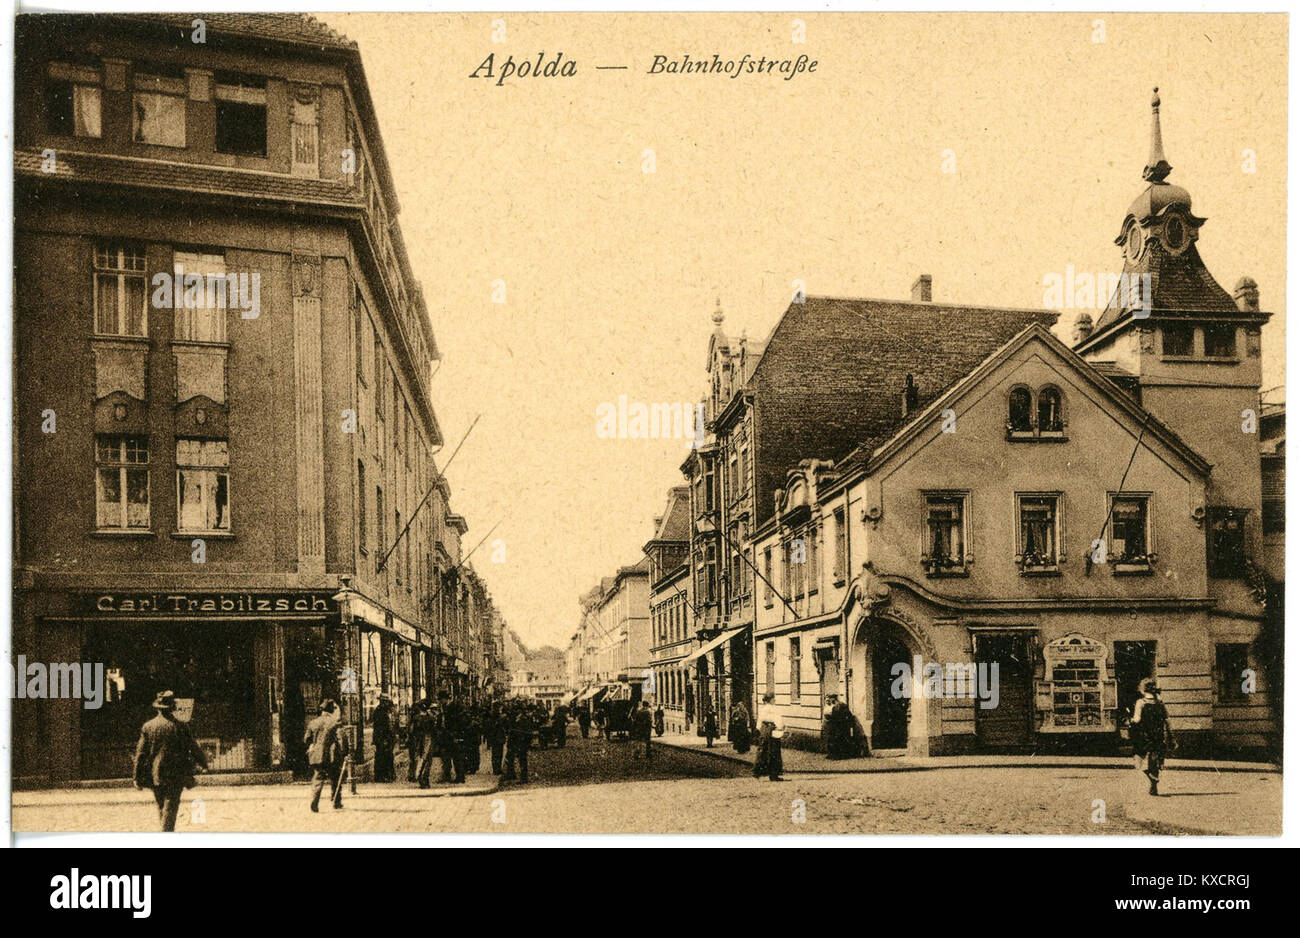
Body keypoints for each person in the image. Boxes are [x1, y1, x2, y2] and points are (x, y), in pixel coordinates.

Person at [133, 690, 208, 831]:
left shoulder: (148, 727)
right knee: (171, 807)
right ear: (172, 707)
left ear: (158, 708)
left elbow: (140, 754)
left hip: (156, 774)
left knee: (162, 805)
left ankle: (165, 833)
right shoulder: (181, 726)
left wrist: (136, 777)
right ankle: (166, 835)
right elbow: (194, 747)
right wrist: (204, 763)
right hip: (176, 774)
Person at [1131, 679, 1175, 795]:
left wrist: (1130, 720)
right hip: (1158, 735)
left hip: (1144, 736)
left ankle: (1150, 777)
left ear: (1143, 689)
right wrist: (1171, 736)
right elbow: (1167, 721)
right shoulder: (1160, 703)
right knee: (1155, 760)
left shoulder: (1141, 702)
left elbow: (1137, 719)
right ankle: (1153, 787)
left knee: (1138, 759)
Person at [304, 698, 348, 811]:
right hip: (331, 756)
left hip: (317, 756)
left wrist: (312, 746)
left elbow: (307, 739)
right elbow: (341, 738)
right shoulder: (335, 722)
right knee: (335, 778)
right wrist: (345, 752)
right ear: (331, 710)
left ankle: (314, 801)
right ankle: (336, 802)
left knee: (318, 778)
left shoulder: (313, 722)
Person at [437, 691, 468, 784]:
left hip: (454, 735)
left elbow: (458, 721)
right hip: (446, 736)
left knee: (457, 757)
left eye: (441, 699)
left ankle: (460, 777)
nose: (440, 702)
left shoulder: (454, 707)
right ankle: (447, 776)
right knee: (446, 757)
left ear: (445, 699)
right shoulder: (444, 707)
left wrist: (456, 734)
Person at [753, 693, 784, 782]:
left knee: (763, 750)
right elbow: (777, 719)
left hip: (764, 730)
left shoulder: (763, 708)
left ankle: (757, 771)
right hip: (771, 730)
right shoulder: (772, 708)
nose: (775, 700)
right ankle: (773, 775)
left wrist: (759, 730)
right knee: (774, 752)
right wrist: (781, 727)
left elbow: (759, 721)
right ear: (770, 699)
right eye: (773, 698)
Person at [821, 694, 863, 760]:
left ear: (835, 699)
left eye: (832, 699)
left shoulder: (839, 706)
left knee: (838, 740)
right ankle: (834, 754)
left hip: (839, 726)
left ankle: (837, 755)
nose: (831, 701)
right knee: (836, 740)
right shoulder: (836, 706)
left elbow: (846, 715)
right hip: (837, 726)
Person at [503, 699, 535, 783]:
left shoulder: (524, 720)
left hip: (521, 743)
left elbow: (528, 733)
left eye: (516, 710)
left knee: (522, 760)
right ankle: (511, 774)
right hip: (514, 742)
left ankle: (524, 778)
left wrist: (526, 744)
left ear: (520, 711)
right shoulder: (514, 719)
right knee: (509, 758)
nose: (515, 711)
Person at [413, 696, 439, 789]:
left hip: (421, 740)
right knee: (426, 759)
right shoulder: (427, 718)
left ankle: (422, 778)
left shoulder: (418, 717)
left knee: (423, 759)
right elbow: (433, 729)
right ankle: (423, 778)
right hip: (427, 739)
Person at [371, 694, 396, 782]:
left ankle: (385, 775)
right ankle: (382, 776)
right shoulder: (380, 712)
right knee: (382, 757)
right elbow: (379, 728)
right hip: (382, 739)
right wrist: (383, 739)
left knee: (385, 756)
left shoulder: (384, 711)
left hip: (385, 738)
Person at [482, 701, 507, 774]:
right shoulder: (495, 715)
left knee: (497, 753)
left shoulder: (495, 715)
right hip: (496, 736)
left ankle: (497, 768)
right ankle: (496, 769)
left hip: (497, 736)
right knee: (497, 753)